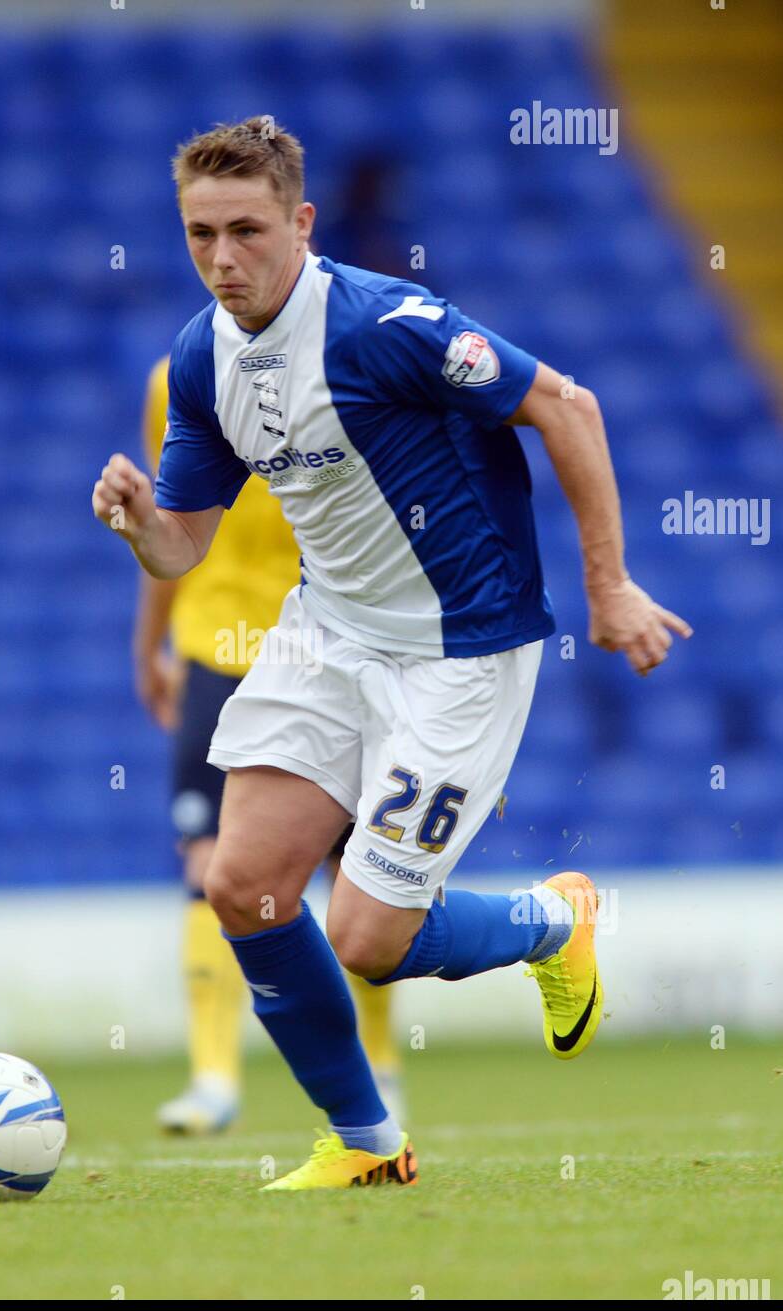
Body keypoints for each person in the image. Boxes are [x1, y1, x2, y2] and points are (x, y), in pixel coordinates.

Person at [94, 116, 691, 1190]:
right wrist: (140, 525)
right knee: (243, 886)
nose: (223, 259)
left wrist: (609, 584)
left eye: (246, 230)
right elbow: (182, 545)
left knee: (368, 935)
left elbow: (567, 405)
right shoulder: (200, 356)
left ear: (301, 223)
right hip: (328, 635)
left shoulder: (384, 324)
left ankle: (554, 920)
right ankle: (365, 1143)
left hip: (458, 649)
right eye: (199, 235)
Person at [135, 355, 404, 1135]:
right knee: (209, 857)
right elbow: (171, 515)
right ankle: (213, 1078)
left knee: (357, 864)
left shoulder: (352, 365)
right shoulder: (175, 379)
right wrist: (150, 646)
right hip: (215, 642)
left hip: (321, 645)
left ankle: (379, 1062)